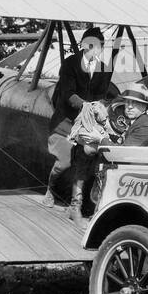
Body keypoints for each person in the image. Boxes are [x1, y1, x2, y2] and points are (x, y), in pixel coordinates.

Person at [44, 26, 116, 209]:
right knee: (63, 163)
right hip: (66, 121)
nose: (94, 49)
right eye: (90, 45)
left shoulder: (105, 68)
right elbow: (67, 93)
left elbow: (101, 94)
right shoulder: (70, 64)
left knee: (84, 162)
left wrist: (100, 107)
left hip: (88, 122)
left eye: (99, 46)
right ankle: (50, 190)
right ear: (84, 45)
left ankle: (75, 204)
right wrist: (85, 105)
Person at [114, 83, 148, 147]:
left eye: (134, 102)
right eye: (127, 102)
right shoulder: (136, 122)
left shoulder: (145, 127)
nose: (130, 106)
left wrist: (101, 139)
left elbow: (122, 151)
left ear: (144, 106)